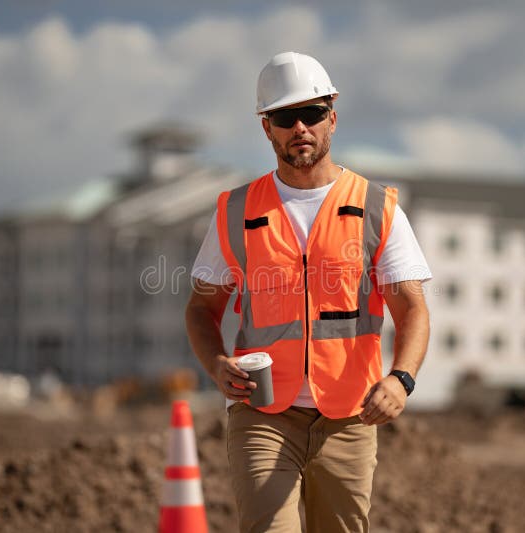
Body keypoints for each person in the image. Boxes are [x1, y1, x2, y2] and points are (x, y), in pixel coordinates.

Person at [185, 51, 432, 533]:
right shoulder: (236, 211)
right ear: (267, 127)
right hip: (262, 413)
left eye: (312, 113)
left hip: (349, 416)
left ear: (332, 119)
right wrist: (215, 363)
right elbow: (201, 307)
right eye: (284, 116)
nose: (300, 127)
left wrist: (401, 378)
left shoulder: (376, 207)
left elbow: (413, 309)